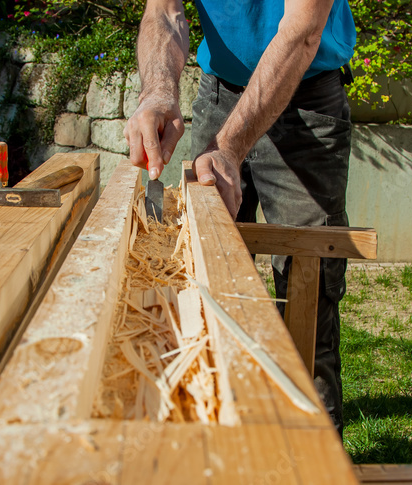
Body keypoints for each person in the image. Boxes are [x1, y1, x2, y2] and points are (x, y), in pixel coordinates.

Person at [125, 0, 356, 433]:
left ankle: (313, 452)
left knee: (308, 298)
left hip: (305, 98)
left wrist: (228, 147)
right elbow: (164, 11)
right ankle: (222, 439)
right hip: (220, 95)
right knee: (204, 279)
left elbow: (303, 31)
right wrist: (157, 90)